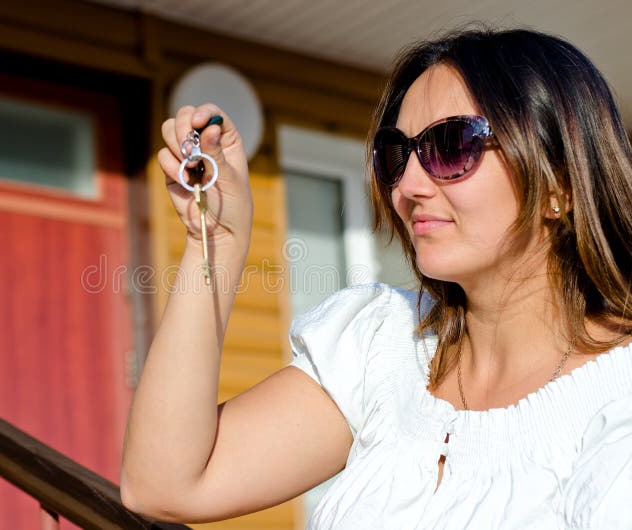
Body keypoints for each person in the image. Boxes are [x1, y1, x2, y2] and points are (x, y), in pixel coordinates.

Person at [120, 27, 632, 529]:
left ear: (559, 184)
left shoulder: (617, 405)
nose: (407, 186)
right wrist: (216, 240)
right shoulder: (386, 349)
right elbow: (162, 484)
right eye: (396, 154)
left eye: (452, 145)